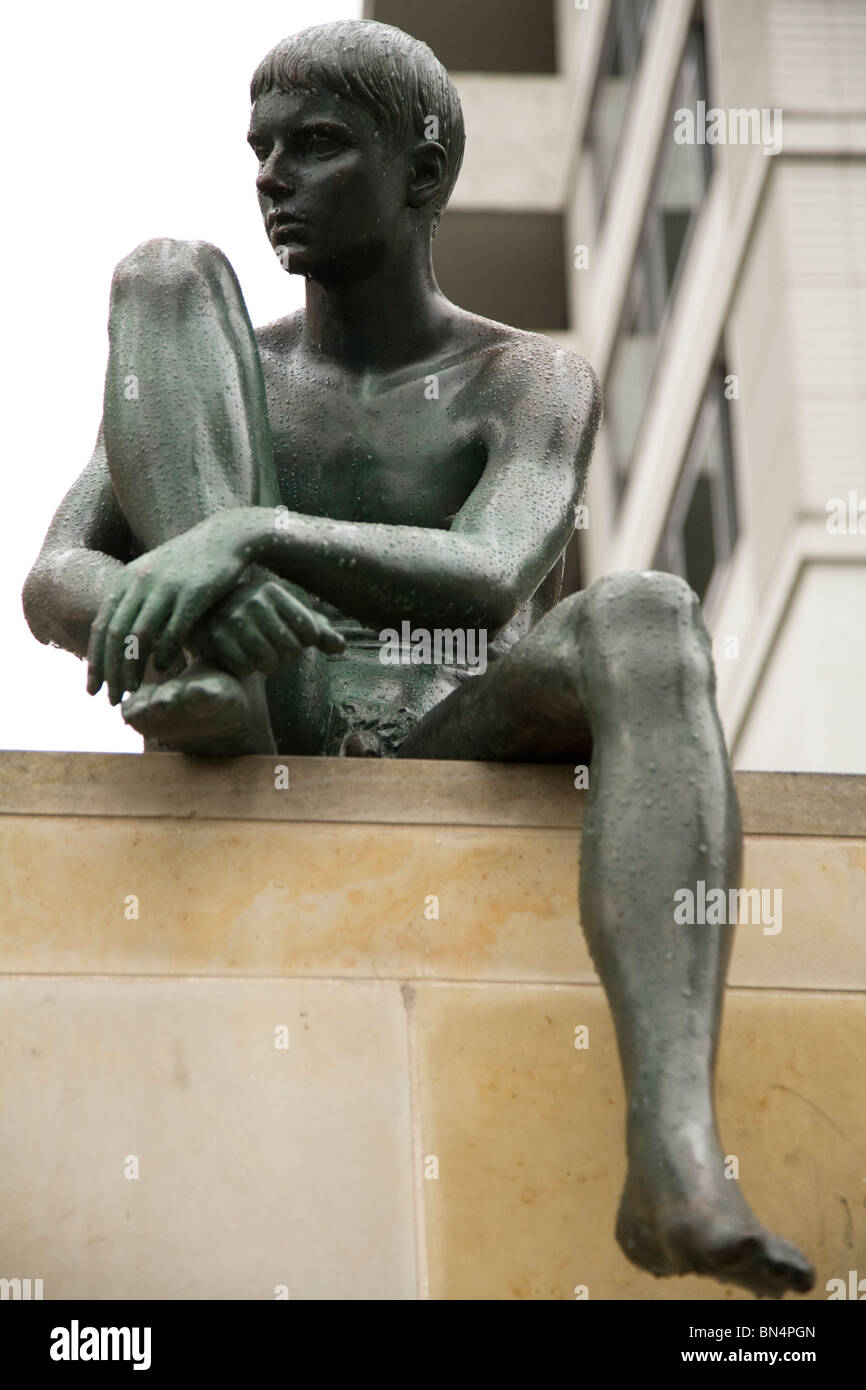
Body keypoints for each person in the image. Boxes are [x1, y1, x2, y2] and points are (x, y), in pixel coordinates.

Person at [22, 19, 813, 1298]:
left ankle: (672, 1155)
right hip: (263, 696)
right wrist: (196, 590)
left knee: (652, 612)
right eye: (260, 149)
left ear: (423, 172)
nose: (272, 176)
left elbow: (495, 569)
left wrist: (252, 533)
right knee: (162, 270)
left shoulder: (522, 376)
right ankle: (219, 686)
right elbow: (56, 575)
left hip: (457, 709)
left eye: (317, 146)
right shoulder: (238, 379)